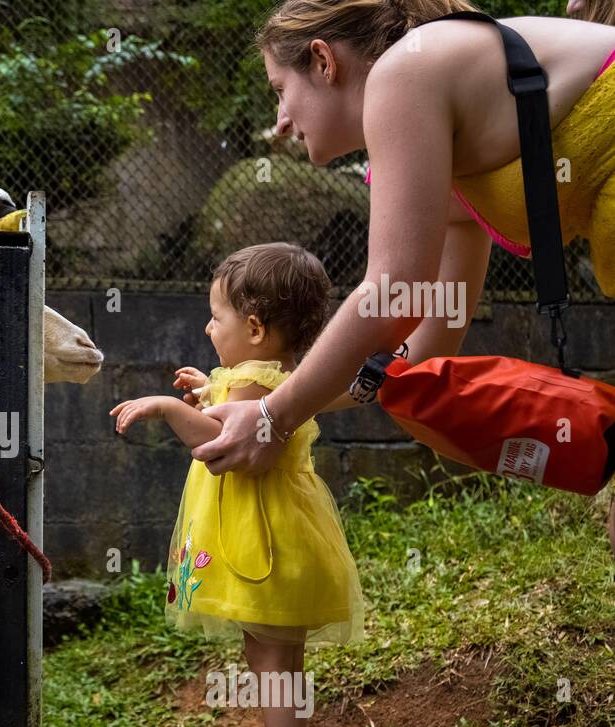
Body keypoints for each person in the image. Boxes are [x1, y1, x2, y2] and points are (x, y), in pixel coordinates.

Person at [191, 3, 615, 489]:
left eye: (280, 91)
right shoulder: (437, 143)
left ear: (324, 61)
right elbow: (419, 347)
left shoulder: (402, 75)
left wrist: (273, 415)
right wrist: (256, 396)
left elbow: (393, 292)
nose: (282, 121)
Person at [110, 243, 364, 727]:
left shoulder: (253, 380)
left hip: (264, 546)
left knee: (272, 658)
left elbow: (219, 447)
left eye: (216, 316)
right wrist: (209, 388)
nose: (207, 325)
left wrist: (168, 410)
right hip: (278, 540)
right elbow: (237, 403)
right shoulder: (268, 375)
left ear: (253, 327)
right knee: (276, 654)